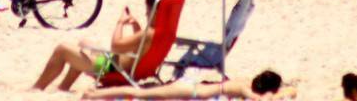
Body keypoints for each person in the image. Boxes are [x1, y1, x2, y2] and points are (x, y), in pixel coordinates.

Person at [31, 0, 168, 92]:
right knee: (84, 43)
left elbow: (116, 45)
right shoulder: (162, 32)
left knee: (62, 49)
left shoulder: (149, 33)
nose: (146, 13)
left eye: (147, 11)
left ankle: (37, 88)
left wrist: (120, 23)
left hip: (112, 69)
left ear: (155, 12)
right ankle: (64, 87)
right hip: (121, 65)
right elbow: (139, 48)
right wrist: (136, 25)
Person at [81, 71, 292, 99]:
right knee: (141, 93)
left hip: (191, 86)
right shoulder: (247, 89)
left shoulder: (246, 81)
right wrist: (282, 93)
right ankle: (94, 94)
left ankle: (100, 95)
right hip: (190, 91)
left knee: (143, 94)